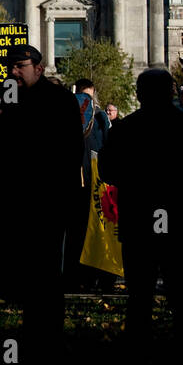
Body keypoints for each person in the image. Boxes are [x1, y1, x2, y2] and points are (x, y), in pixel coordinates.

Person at [0, 44, 82, 364]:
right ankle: (32, 334)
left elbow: (69, 152)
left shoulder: (58, 100)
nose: (14, 72)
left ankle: (46, 339)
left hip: (46, 203)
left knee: (46, 275)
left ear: (39, 67)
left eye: (20, 66)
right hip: (13, 203)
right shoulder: (8, 101)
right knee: (18, 274)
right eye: (11, 67)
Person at [98, 68, 183, 347]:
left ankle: (139, 344)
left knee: (140, 292)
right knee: (182, 290)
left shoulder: (126, 129)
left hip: (139, 216)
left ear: (139, 95)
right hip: (179, 217)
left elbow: (108, 170)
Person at [67, 79, 111, 291]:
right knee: (82, 229)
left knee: (89, 229)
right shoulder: (73, 116)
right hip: (82, 179)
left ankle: (88, 275)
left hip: (93, 179)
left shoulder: (100, 117)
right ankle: (81, 275)